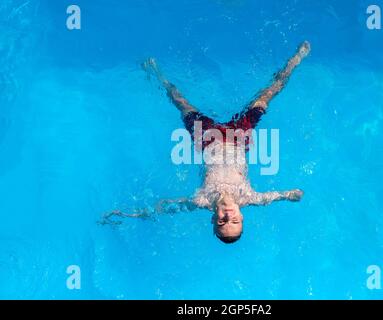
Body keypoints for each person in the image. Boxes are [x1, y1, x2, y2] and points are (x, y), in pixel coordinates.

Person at [104, 41, 311, 244]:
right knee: (267, 95)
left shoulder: (201, 200)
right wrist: (290, 195)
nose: (228, 215)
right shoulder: (249, 198)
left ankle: (157, 74)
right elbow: (274, 196)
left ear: (213, 219)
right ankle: (295, 60)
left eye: (222, 221)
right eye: (235, 220)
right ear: (242, 216)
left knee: (180, 101)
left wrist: (129, 215)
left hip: (207, 139)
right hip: (238, 138)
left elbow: (163, 208)